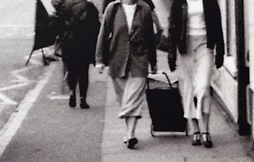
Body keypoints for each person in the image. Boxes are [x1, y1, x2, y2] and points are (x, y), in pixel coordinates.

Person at [96, 0, 158, 149]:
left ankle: (130, 134)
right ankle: (129, 132)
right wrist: (99, 60)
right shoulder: (113, 9)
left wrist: (153, 62)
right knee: (125, 97)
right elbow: (103, 34)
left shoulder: (144, 9)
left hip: (140, 59)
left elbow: (150, 36)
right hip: (118, 60)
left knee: (134, 97)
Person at [167, 0, 224, 148]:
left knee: (203, 86)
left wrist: (221, 51)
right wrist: (171, 53)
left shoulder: (210, 1)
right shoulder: (179, 2)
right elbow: (173, 27)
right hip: (185, 46)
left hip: (206, 45)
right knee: (189, 89)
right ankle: (196, 130)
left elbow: (217, 25)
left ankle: (205, 129)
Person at [52, 0, 100, 109]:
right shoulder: (89, 6)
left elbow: (56, 24)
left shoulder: (63, 5)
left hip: (68, 42)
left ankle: (72, 92)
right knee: (84, 71)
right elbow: (96, 26)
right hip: (85, 42)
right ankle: (83, 98)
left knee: (71, 70)